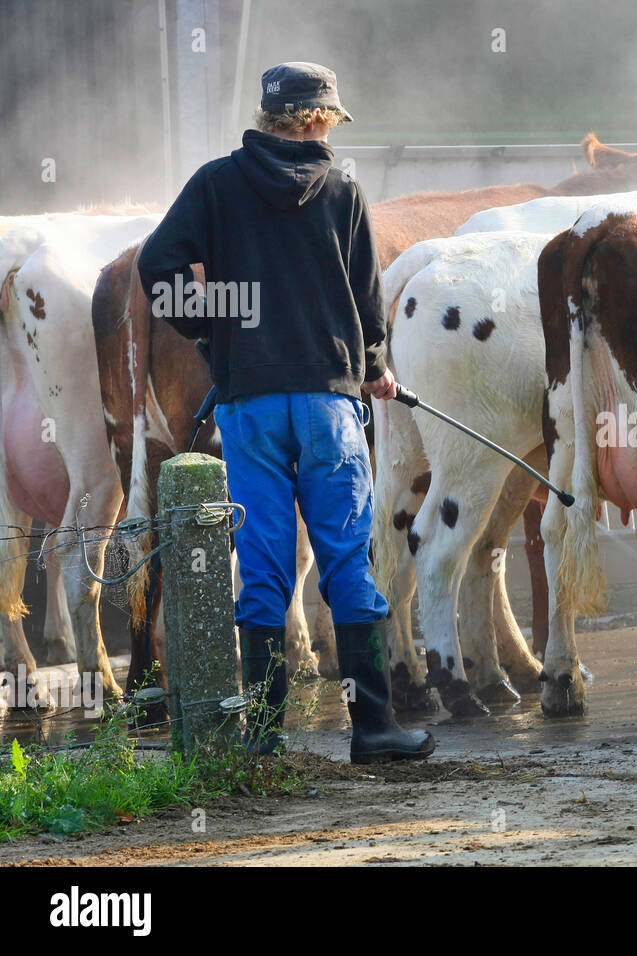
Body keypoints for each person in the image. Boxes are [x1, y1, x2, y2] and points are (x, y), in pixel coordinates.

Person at [137, 62, 433, 764]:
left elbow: (158, 267)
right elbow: (367, 301)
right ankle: (373, 730)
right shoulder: (346, 191)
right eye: (328, 117)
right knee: (346, 563)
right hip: (330, 403)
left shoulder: (215, 184)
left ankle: (264, 735)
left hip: (251, 407)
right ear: (314, 119)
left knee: (265, 564)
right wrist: (375, 369)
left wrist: (218, 326)